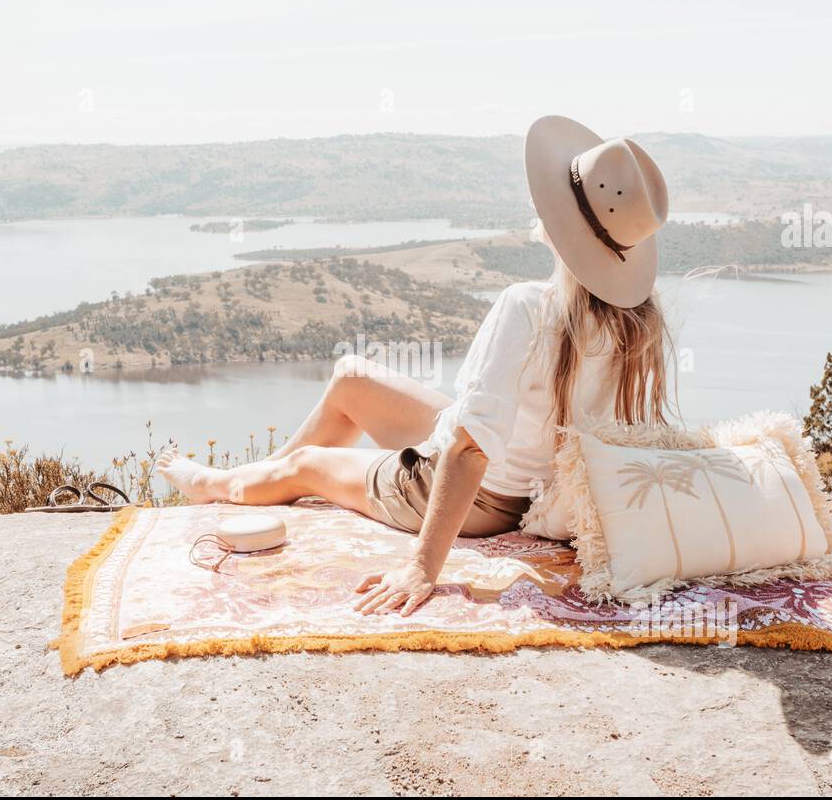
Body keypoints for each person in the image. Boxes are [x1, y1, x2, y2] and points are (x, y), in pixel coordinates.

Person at [157, 115, 674, 616]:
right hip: (528, 485)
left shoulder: (529, 307)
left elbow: (471, 449)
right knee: (351, 377)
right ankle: (260, 480)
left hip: (485, 499)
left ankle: (223, 486)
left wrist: (422, 568)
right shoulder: (638, 323)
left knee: (306, 464)